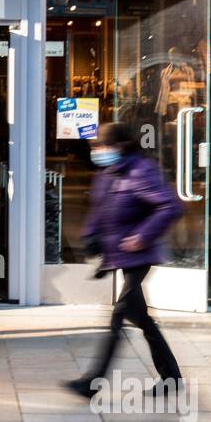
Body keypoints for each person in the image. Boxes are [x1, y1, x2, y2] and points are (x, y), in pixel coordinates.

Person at [65, 122, 185, 399]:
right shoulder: (108, 174)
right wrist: (91, 236)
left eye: (103, 146)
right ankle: (172, 378)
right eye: (96, 147)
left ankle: (92, 382)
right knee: (140, 317)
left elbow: (170, 206)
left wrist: (142, 236)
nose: (98, 151)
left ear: (119, 146)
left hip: (139, 255)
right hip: (121, 255)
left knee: (118, 316)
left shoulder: (140, 171)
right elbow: (99, 210)